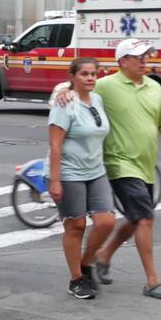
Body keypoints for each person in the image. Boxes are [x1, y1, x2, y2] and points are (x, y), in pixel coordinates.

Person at [58, 39, 161, 300]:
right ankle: (152, 281)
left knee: (137, 218)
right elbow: (80, 84)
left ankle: (105, 253)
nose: (144, 60)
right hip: (119, 163)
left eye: (146, 55)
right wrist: (64, 91)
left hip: (145, 165)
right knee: (145, 218)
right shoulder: (107, 85)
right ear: (123, 62)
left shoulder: (155, 87)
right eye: (138, 57)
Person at [48, 57, 116, 299]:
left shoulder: (97, 99)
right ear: (72, 77)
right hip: (69, 172)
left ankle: (86, 264)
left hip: (95, 170)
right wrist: (55, 180)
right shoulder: (64, 103)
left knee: (106, 221)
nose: (90, 78)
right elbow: (55, 145)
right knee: (75, 225)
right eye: (84, 74)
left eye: (93, 74)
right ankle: (76, 279)